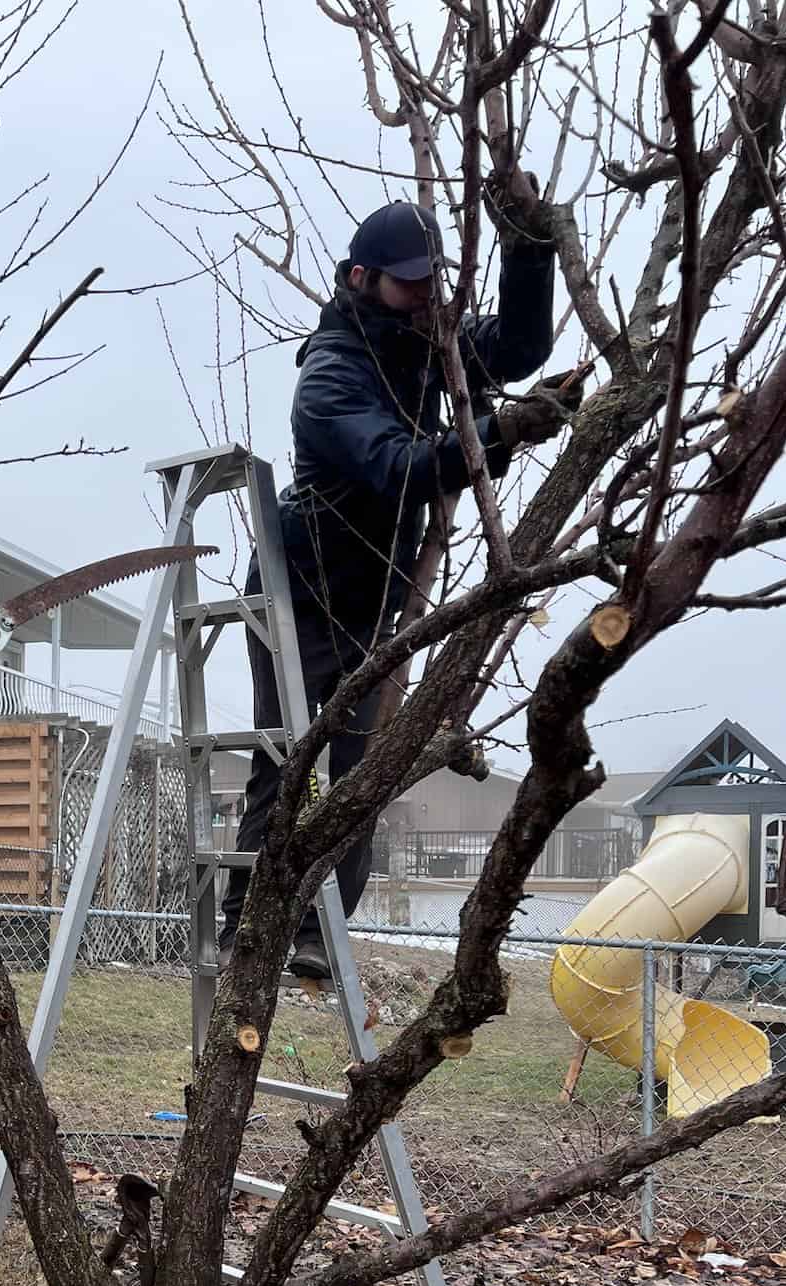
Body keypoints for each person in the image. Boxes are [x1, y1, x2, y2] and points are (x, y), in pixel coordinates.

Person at [218, 187, 578, 980]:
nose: (429, 295)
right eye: (411, 281)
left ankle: (316, 932)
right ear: (359, 279)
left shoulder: (427, 348)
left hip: (374, 604)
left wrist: (526, 243)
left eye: (434, 280)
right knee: (285, 765)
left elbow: (517, 346)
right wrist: (500, 431)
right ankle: (241, 926)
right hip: (298, 596)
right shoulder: (331, 377)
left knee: (363, 778)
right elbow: (396, 470)